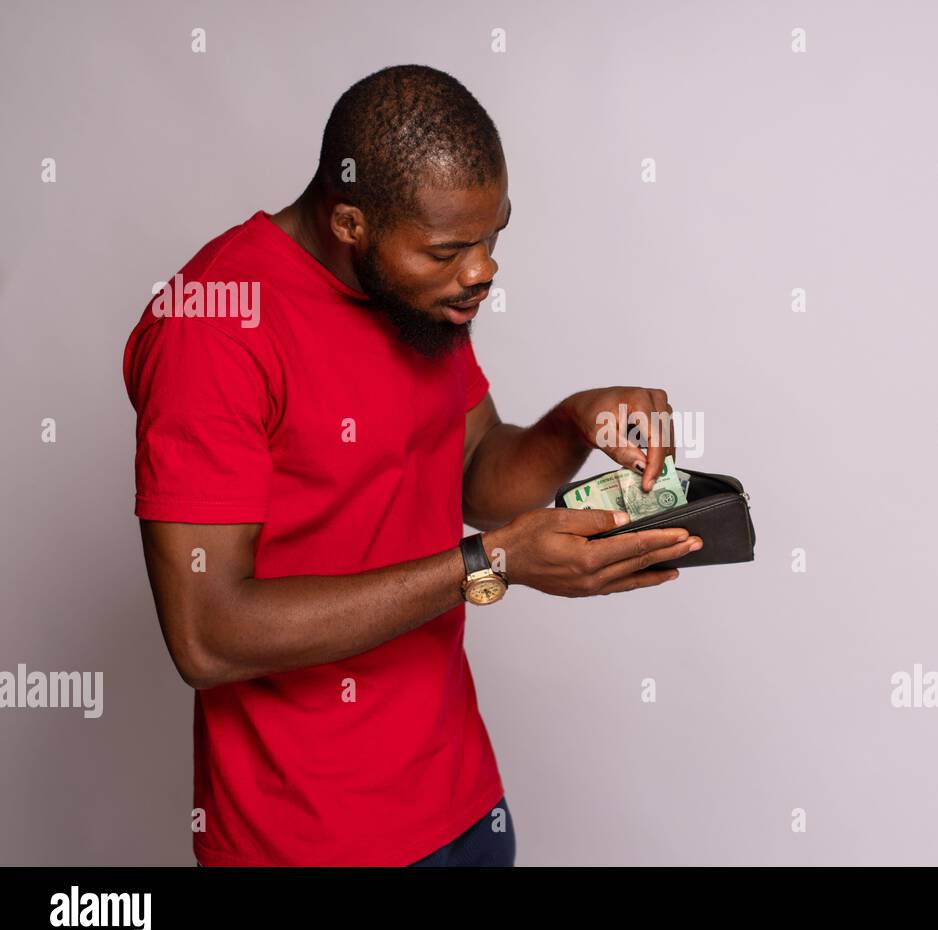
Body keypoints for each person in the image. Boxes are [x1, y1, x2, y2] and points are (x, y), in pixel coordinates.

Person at [123, 64, 702, 867]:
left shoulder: (421, 292)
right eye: (450, 250)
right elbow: (207, 635)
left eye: (495, 236)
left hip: (462, 803)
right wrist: (490, 565)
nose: (481, 271)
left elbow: (480, 477)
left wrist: (574, 422)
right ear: (351, 221)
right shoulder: (213, 329)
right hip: (307, 839)